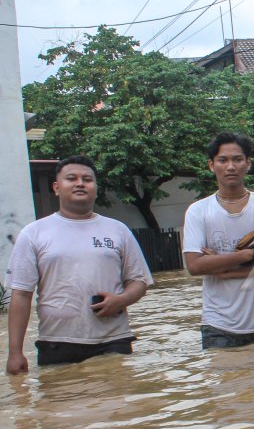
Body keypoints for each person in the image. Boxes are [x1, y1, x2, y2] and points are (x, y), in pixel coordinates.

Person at [5, 156, 153, 374]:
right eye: (71, 178)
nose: (80, 183)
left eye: (87, 179)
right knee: (60, 396)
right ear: (56, 188)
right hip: (57, 343)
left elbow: (139, 281)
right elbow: (21, 295)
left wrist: (121, 300)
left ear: (96, 188)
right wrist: (15, 352)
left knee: (118, 396)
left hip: (113, 340)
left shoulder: (118, 230)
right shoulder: (33, 233)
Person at [183, 132, 254, 349]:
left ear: (248, 163)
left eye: (237, 159)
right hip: (219, 324)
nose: (231, 167)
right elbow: (194, 265)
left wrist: (223, 269)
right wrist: (247, 255)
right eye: (223, 160)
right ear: (211, 165)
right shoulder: (198, 211)